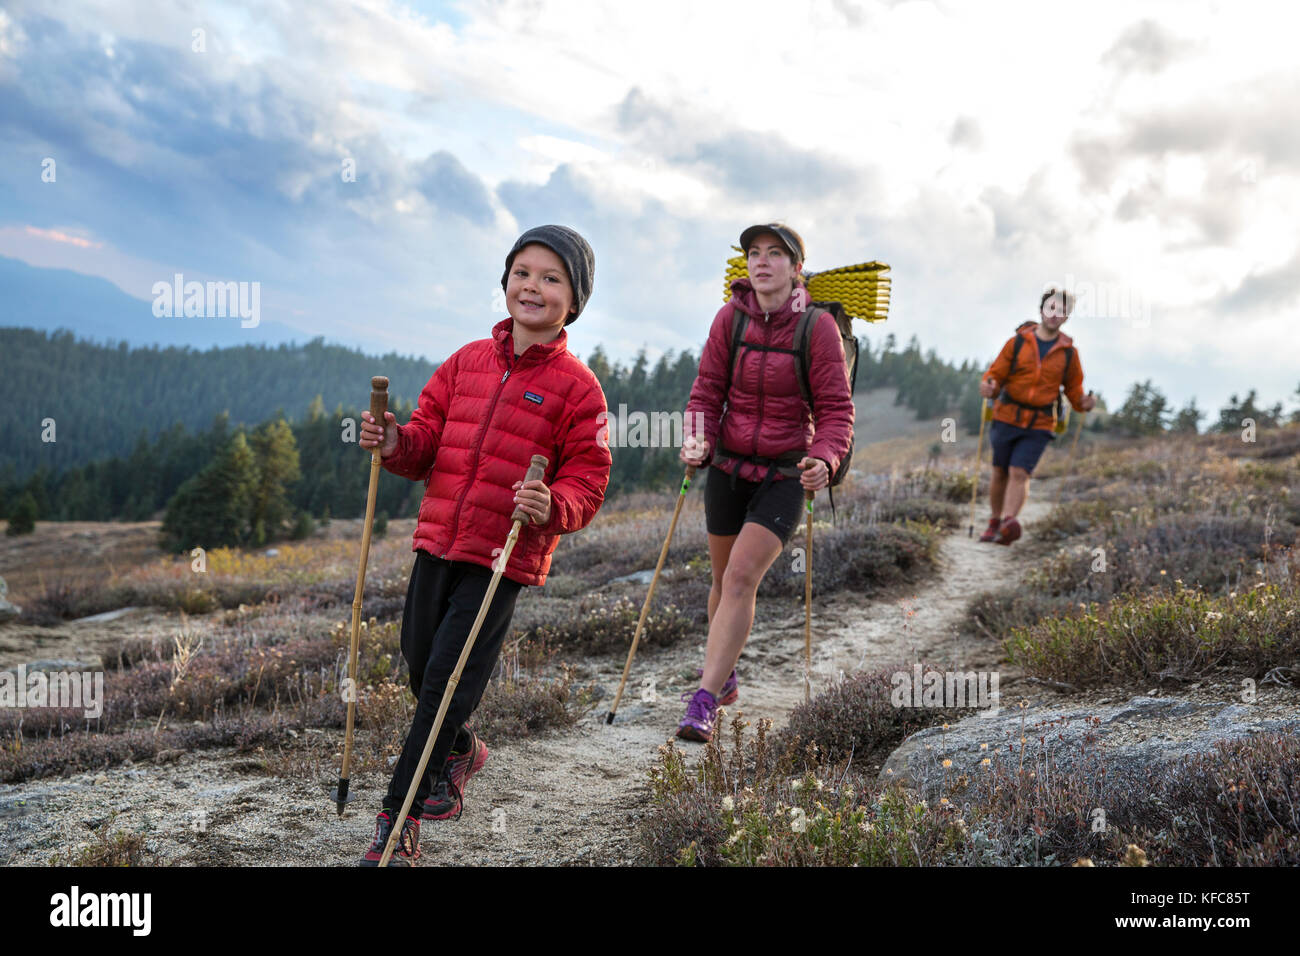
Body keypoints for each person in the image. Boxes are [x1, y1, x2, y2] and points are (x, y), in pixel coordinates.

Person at [355, 225, 611, 865]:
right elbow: (423, 442)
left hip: (502, 558)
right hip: (437, 539)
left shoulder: (580, 388)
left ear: (573, 301)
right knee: (419, 664)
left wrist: (554, 504)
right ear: (504, 282)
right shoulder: (466, 361)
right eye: (523, 272)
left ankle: (397, 821)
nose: (534, 286)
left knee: (444, 684)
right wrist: (392, 445)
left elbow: (589, 476)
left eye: (552, 279)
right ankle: (461, 750)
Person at [676, 223, 854, 742]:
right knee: (719, 580)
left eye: (776, 254)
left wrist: (824, 459)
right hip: (728, 467)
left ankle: (704, 700)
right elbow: (706, 392)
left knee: (739, 580)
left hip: (784, 474)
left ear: (796, 268)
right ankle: (723, 672)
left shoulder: (817, 328)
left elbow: (836, 412)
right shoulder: (729, 319)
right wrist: (697, 439)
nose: (762, 261)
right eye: (754, 253)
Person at [977, 287, 1097, 545]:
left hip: (1040, 422)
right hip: (1006, 415)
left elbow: (1074, 389)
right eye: (1051, 308)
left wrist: (1083, 402)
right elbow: (995, 374)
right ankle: (994, 521)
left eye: (1062, 311)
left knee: (1019, 472)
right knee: (999, 471)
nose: (1055, 314)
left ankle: (1009, 524)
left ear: (1067, 317)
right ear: (1042, 309)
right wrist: (990, 386)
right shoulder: (1017, 342)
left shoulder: (1069, 353)